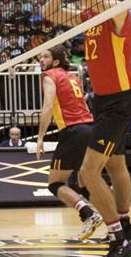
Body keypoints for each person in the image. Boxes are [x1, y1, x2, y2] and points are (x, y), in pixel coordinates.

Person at [42, 0, 131, 257]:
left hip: (120, 101)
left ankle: (119, 241)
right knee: (115, 167)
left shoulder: (117, 10)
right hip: (103, 102)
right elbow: (49, 11)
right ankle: (126, 225)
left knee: (87, 172)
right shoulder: (89, 18)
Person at [33, 46, 103, 240]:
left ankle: (88, 214)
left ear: (55, 61)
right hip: (90, 128)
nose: (41, 60)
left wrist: (40, 137)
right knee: (86, 182)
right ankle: (118, 223)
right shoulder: (73, 77)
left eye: (45, 56)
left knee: (55, 183)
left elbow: (48, 106)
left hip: (73, 131)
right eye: (40, 57)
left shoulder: (49, 75)